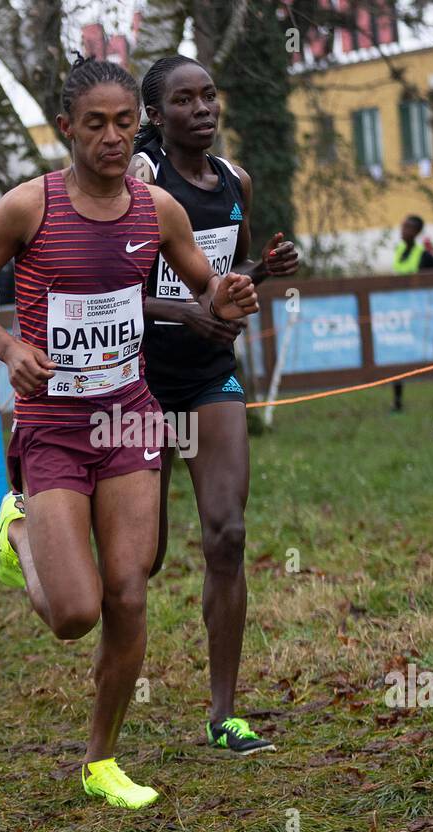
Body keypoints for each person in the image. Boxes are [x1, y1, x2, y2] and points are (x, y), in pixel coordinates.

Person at [0, 54, 259, 809]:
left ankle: (102, 759)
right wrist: (10, 347)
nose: (113, 139)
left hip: (129, 416)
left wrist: (232, 292)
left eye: (123, 123)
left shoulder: (158, 210)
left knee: (130, 591)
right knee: (74, 614)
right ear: (67, 130)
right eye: (97, 125)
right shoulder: (29, 207)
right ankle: (16, 533)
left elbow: (203, 283)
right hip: (54, 426)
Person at [127, 54, 296, 755]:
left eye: (210, 96)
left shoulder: (236, 183)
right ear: (157, 117)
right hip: (137, 382)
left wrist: (264, 272)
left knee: (227, 535)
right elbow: (111, 289)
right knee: (146, 557)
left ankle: (224, 713)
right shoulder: (141, 184)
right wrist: (184, 313)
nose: (204, 109)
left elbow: (226, 279)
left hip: (209, 378)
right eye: (185, 101)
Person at [391, 214, 433, 412]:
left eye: (409, 228)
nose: (404, 231)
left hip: (417, 313)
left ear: (417, 232)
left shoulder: (423, 255)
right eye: (403, 226)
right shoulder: (399, 250)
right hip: (399, 313)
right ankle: (397, 402)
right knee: (396, 357)